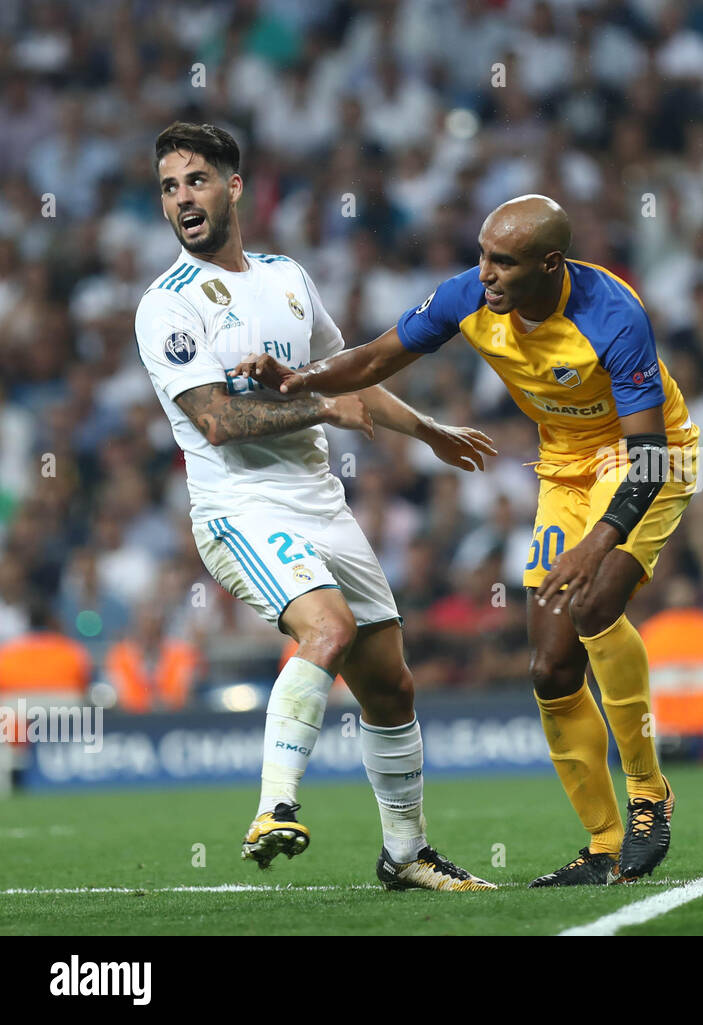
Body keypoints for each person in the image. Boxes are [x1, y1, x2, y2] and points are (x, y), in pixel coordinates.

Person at [238, 194, 699, 885]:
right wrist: (300, 379)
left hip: (642, 463)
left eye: (502, 262)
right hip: (564, 469)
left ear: (550, 264)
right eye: (482, 255)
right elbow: (373, 359)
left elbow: (650, 457)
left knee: (596, 601)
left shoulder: (614, 315)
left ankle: (647, 795)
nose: (484, 273)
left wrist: (597, 543)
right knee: (548, 667)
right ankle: (605, 844)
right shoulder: (468, 297)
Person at [136, 122, 498, 892]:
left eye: (196, 180)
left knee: (392, 685)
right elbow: (217, 422)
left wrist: (427, 429)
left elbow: (346, 376)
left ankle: (406, 854)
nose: (182, 199)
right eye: (169, 187)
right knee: (327, 628)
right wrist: (318, 412)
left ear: (234, 188)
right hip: (240, 507)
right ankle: (274, 807)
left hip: (321, 506)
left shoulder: (288, 276)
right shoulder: (166, 306)